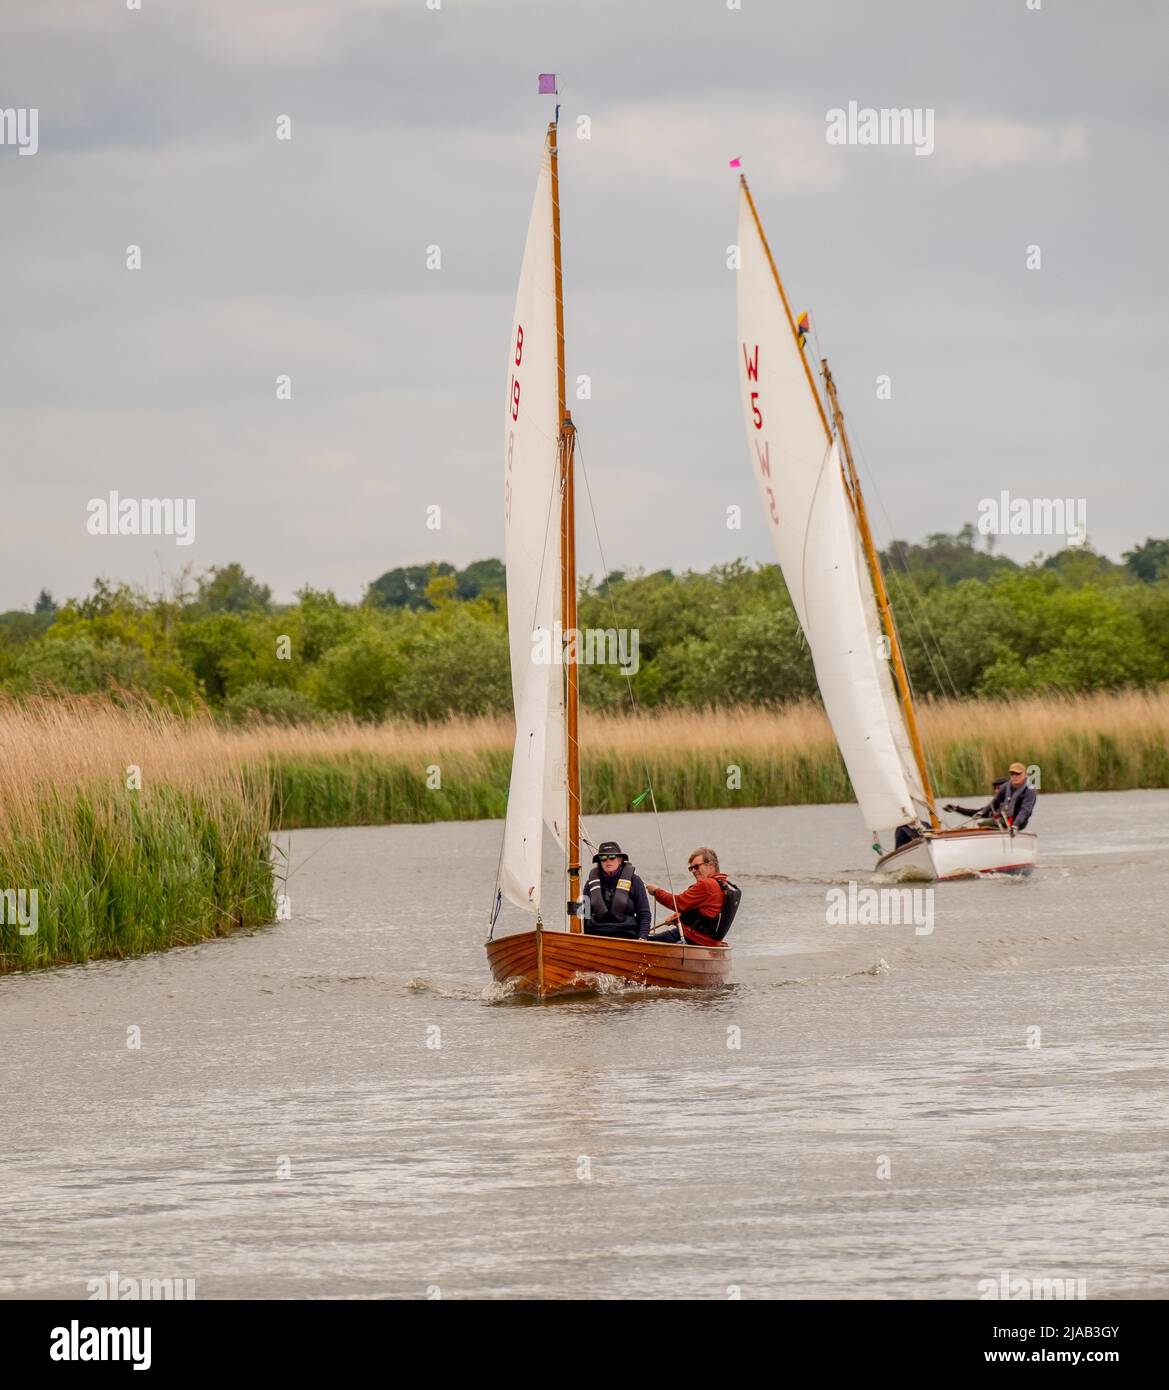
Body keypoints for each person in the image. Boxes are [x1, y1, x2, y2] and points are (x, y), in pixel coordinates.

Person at [645, 847, 741, 946]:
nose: (693, 871)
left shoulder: (706, 884)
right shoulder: (726, 886)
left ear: (711, 865)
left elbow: (678, 903)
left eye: (697, 867)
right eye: (691, 868)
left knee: (644, 941)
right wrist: (680, 917)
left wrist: (656, 891)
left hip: (692, 939)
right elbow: (709, 912)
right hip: (711, 943)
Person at [582, 841, 652, 940]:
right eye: (603, 857)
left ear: (620, 860)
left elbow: (644, 914)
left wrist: (643, 937)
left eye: (612, 857)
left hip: (627, 936)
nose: (608, 860)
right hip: (597, 936)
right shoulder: (590, 883)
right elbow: (583, 914)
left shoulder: (635, 881)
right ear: (599, 861)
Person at [944, 763, 1036, 830]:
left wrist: (1015, 825)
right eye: (1012, 774)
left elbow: (1025, 811)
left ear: (1024, 774)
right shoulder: (997, 805)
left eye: (1018, 774)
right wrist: (956, 808)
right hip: (1003, 823)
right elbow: (980, 812)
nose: (997, 790)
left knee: (982, 823)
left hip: (1016, 823)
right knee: (975, 825)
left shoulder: (1029, 790)